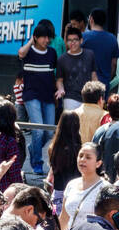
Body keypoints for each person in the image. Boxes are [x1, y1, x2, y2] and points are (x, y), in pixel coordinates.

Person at [18, 19, 59, 175]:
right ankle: (37, 163)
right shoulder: (28, 52)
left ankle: (33, 147)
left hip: (48, 95)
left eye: (48, 37)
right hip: (31, 95)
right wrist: (31, 40)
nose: (46, 40)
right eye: (43, 37)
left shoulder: (52, 53)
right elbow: (21, 53)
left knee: (48, 132)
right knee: (38, 130)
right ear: (36, 37)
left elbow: (53, 76)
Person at [56, 21, 98, 115]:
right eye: (69, 40)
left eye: (75, 40)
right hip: (70, 97)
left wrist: (98, 92)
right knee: (71, 124)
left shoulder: (90, 54)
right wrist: (60, 89)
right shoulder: (62, 59)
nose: (72, 43)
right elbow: (59, 80)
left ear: (81, 41)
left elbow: (94, 75)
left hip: (88, 97)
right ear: (66, 42)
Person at [81, 9, 119, 84]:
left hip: (85, 83)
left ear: (91, 19)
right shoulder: (112, 38)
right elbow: (114, 63)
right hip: (104, 82)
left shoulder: (83, 37)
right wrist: (108, 78)